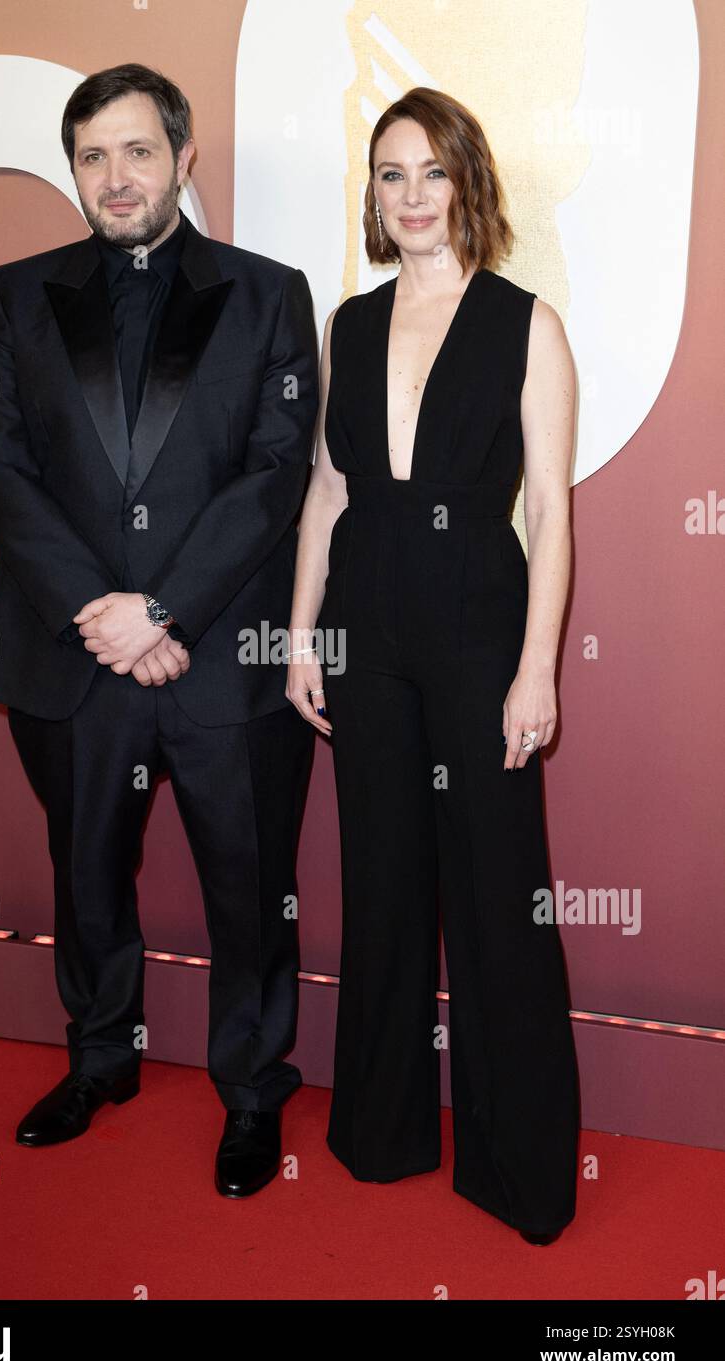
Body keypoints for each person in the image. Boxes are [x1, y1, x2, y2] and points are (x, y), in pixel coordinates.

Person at [0, 63, 318, 1198]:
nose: (115, 177)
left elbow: (273, 476)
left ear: (183, 155)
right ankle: (99, 1058)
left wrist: (161, 609)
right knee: (88, 875)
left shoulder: (270, 294)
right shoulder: (15, 294)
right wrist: (101, 611)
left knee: (246, 886)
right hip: (72, 652)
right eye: (91, 157)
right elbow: (0, 469)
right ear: (73, 170)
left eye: (136, 151)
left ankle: (253, 1089)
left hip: (221, 653)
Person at [286, 87, 580, 1242]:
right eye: (388, 173)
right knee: (384, 879)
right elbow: (327, 488)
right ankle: (380, 1127)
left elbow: (551, 512)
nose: (409, 196)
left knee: (498, 894)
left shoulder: (523, 322)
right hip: (365, 617)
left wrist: (536, 669)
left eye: (430, 173)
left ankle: (517, 1170)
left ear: (468, 183)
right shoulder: (349, 323)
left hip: (475, 623)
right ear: (372, 191)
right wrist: (304, 632)